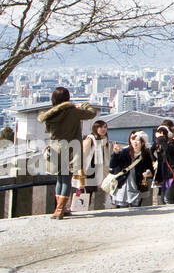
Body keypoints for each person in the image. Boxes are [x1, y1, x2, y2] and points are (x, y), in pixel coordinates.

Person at [37, 88, 98, 220]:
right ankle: (60, 210)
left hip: (55, 147)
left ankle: (60, 208)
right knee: (66, 179)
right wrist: (84, 105)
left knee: (60, 178)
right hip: (71, 147)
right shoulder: (73, 112)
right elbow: (92, 113)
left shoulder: (49, 114)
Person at [107, 131, 154, 208]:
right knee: (122, 208)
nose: (135, 143)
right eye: (133, 140)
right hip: (123, 184)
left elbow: (150, 169)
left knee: (136, 208)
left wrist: (148, 172)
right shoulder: (124, 152)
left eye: (138, 141)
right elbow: (113, 165)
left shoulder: (145, 154)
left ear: (142, 143)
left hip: (136, 184)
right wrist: (115, 154)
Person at [151, 125, 174, 204]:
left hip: (173, 174)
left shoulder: (172, 143)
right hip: (165, 176)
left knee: (167, 198)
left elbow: (168, 151)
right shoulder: (160, 147)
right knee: (165, 198)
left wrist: (161, 139)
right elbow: (153, 154)